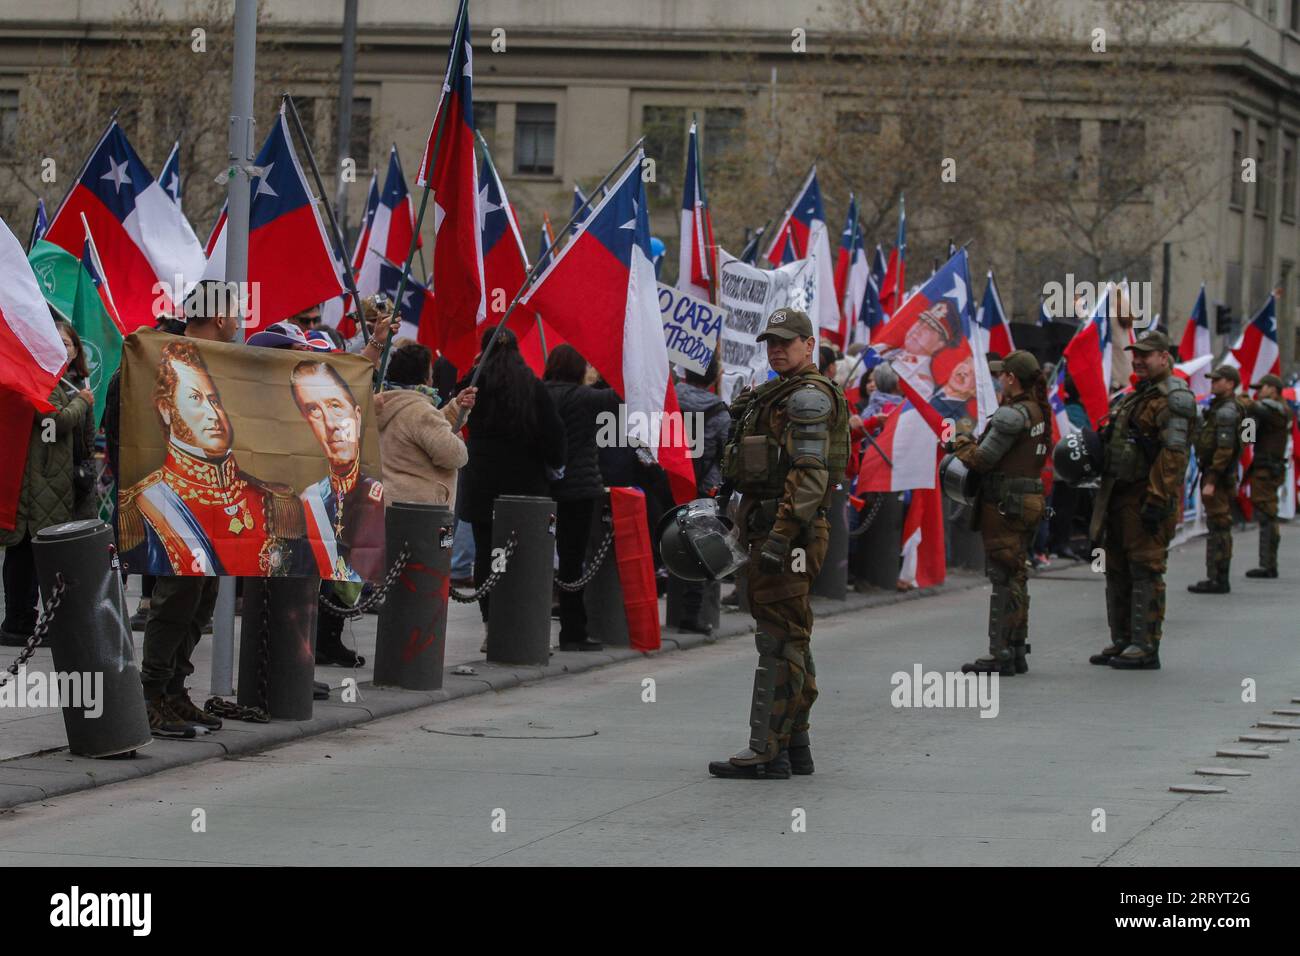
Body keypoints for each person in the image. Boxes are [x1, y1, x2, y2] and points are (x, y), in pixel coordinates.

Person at [710, 308, 850, 779]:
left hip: (787, 533)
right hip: (775, 528)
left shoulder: (807, 398)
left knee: (777, 640)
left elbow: (809, 478)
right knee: (790, 636)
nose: (777, 348)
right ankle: (795, 745)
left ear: (810, 345)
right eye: (771, 340)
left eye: (787, 341)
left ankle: (767, 750)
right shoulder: (779, 395)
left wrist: (781, 535)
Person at [113, 281, 256, 737]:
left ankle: (174, 690)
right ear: (219, 317)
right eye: (235, 314)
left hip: (215, 502)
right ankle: (151, 695)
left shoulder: (224, 365)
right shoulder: (156, 358)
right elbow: (122, 424)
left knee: (201, 599)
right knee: (175, 597)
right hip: (172, 503)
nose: (238, 322)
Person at [117, 339, 307, 577]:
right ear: (166, 409)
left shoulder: (273, 499)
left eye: (215, 400)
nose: (213, 413)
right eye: (196, 399)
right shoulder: (142, 506)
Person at [1087, 331, 1195, 671]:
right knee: (1115, 568)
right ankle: (1122, 640)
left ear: (1164, 357)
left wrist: (1157, 498)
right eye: (1135, 354)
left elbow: (1173, 454)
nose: (1137, 359)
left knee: (1145, 568)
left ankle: (1145, 645)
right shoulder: (1136, 395)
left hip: (1144, 497)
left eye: (1145, 355)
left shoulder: (1174, 397)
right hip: (1118, 495)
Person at [456, 327, 566, 652]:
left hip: (482, 483)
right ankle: (523, 626)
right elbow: (554, 432)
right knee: (524, 558)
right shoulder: (532, 385)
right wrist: (556, 467)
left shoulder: (473, 383)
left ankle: (491, 628)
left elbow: (453, 411)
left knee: (487, 555)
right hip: (526, 487)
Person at [949, 350, 1050, 676]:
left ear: (1011, 378)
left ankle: (1002, 651)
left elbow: (982, 459)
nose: (998, 379)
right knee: (1017, 574)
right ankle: (1016, 648)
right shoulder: (1038, 411)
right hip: (1028, 500)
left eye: (1001, 374)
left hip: (1006, 504)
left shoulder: (1012, 415)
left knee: (1004, 577)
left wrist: (959, 442)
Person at [0, 347, 93, 647]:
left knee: (30, 554)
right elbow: (56, 421)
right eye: (58, 342)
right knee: (31, 553)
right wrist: (81, 402)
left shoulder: (59, 380)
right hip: (39, 485)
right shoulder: (38, 380)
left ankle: (24, 621)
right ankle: (22, 622)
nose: (63, 349)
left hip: (48, 482)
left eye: (69, 343)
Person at [542, 345, 622, 651]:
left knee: (537, 559)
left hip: (543, 488)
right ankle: (573, 631)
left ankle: (530, 628)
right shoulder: (584, 398)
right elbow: (621, 396)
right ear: (576, 368)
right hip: (579, 489)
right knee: (573, 561)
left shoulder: (540, 393)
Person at [290, 359, 386, 584]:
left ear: (358, 416)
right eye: (314, 410)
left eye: (335, 405)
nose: (330, 423)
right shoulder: (306, 502)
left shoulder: (380, 494)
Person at [375, 342, 477, 507]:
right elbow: (453, 456)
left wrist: (456, 409)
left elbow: (420, 433)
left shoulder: (390, 402)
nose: (432, 377)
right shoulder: (420, 411)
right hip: (419, 512)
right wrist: (458, 441)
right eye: (430, 372)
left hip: (391, 503)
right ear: (424, 377)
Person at [673, 355, 732, 634]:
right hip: (701, 485)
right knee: (696, 550)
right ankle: (690, 616)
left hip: (667, 479)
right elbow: (726, 453)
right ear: (713, 378)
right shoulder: (720, 412)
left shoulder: (668, 398)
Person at [1187, 365, 1244, 594]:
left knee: (1219, 526)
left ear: (1230, 383)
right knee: (1217, 525)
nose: (1213, 383)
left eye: (1218, 380)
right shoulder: (1218, 408)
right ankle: (1217, 576)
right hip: (1215, 474)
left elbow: (1224, 450)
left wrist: (1211, 480)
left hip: (1217, 477)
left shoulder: (1227, 411)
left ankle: (1218, 578)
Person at [1243, 374, 1295, 578]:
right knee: (1266, 516)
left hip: (1267, 469)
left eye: (1262, 388)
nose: (1259, 392)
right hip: (1267, 468)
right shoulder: (1270, 412)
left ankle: (1268, 564)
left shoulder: (1276, 410)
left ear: (1273, 389)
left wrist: (1244, 401)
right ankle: (1267, 563)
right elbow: (1248, 435)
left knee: (1266, 516)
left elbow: (1255, 410)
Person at [55, 320, 99, 521]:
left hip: (79, 480)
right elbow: (57, 424)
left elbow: (89, 440)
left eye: (65, 344)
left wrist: (89, 477)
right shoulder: (42, 381)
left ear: (75, 350)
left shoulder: (82, 386)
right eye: (54, 341)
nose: (59, 347)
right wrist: (81, 401)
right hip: (52, 477)